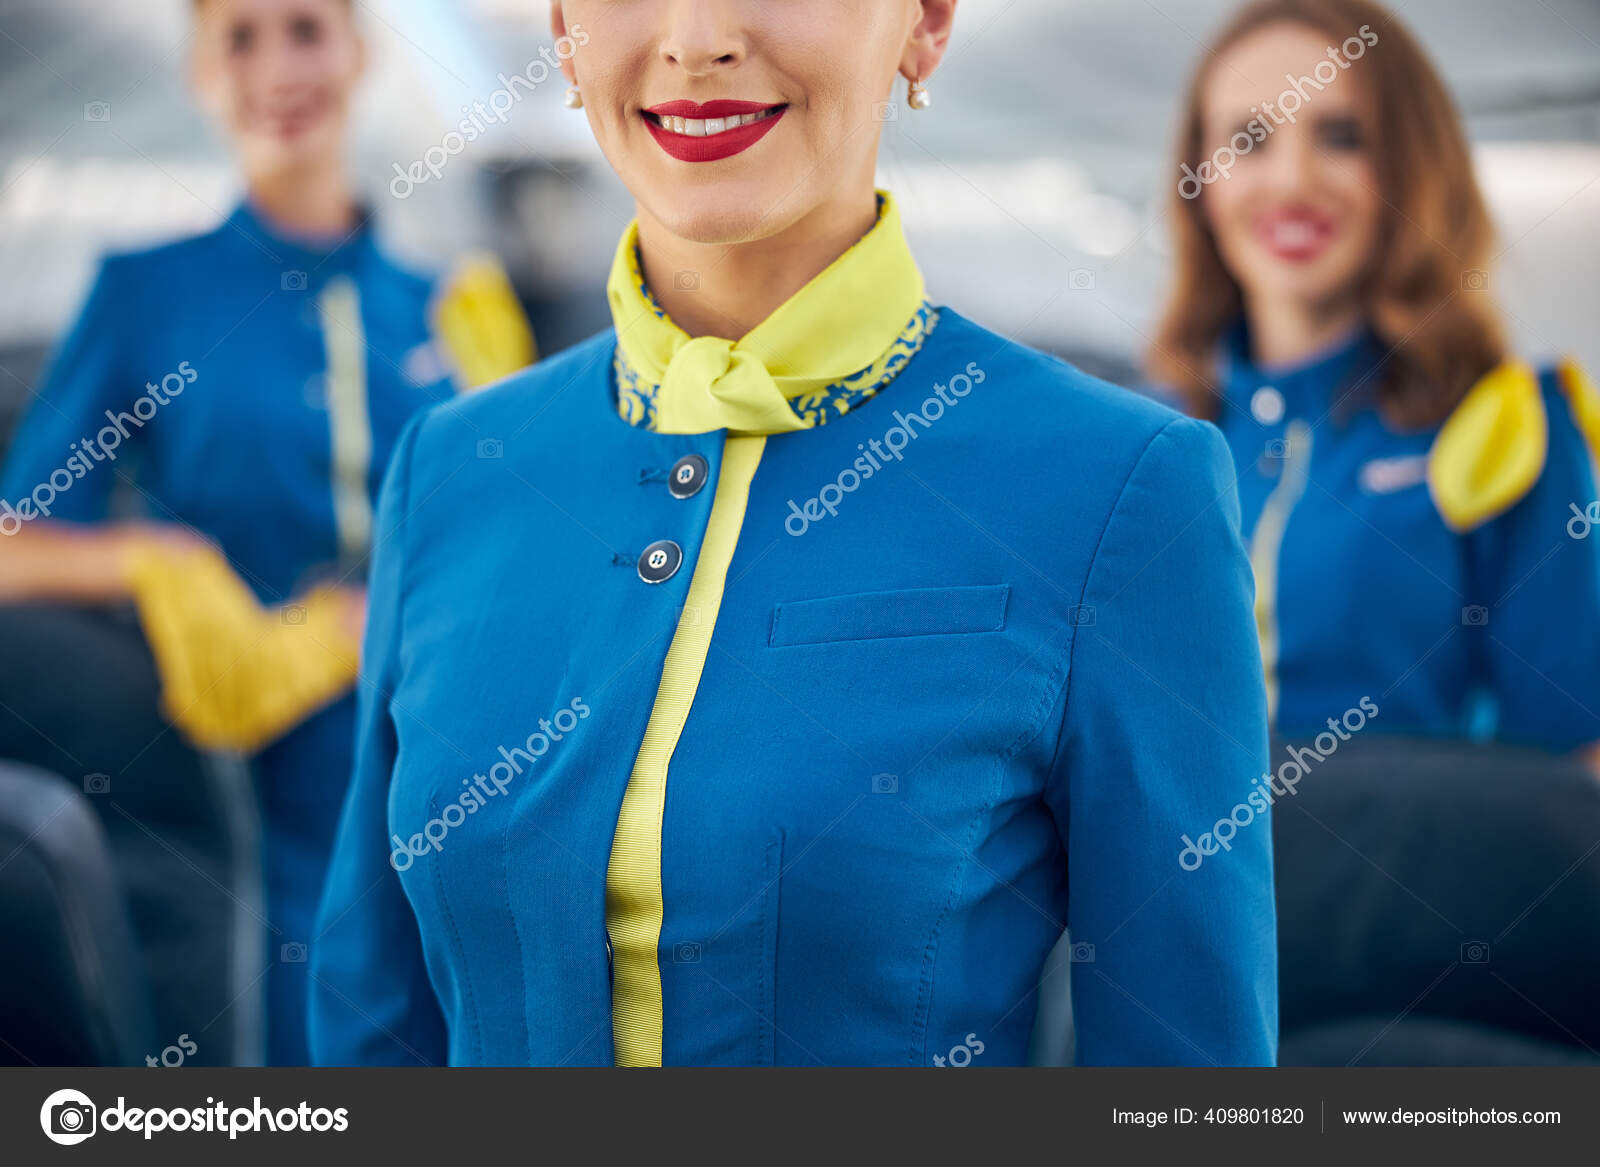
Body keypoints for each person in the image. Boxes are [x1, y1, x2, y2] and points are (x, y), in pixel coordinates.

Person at [311, 0, 1276, 1067]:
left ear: (925, 25)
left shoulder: (1120, 488)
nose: (695, 41)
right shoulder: (450, 470)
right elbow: (372, 1017)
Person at [0, 0, 533, 1065]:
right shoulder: (147, 291)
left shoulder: (444, 302)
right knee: (285, 1041)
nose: (276, 66)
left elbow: (522, 542)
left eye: (304, 28)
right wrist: (156, 556)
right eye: (238, 38)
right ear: (203, 75)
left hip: (441, 740)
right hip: (247, 764)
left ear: (357, 55)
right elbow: (15, 540)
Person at [1150, 0, 1600, 753]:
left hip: (1417, 867)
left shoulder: (1506, 425)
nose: (1291, 180)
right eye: (1248, 140)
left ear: (1411, 168)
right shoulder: (1148, 432)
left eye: (1343, 137)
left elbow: (1570, 776)